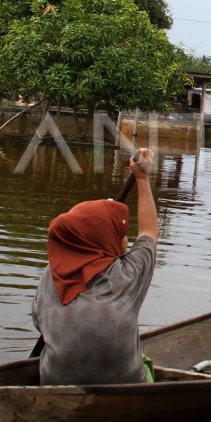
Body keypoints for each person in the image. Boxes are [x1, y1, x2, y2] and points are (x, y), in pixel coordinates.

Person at [31, 148, 159, 385]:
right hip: (126, 385)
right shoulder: (127, 275)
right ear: (103, 241)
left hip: (54, 384)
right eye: (120, 233)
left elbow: (39, 323)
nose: (125, 240)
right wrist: (142, 178)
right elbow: (149, 232)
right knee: (146, 363)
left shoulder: (50, 277)